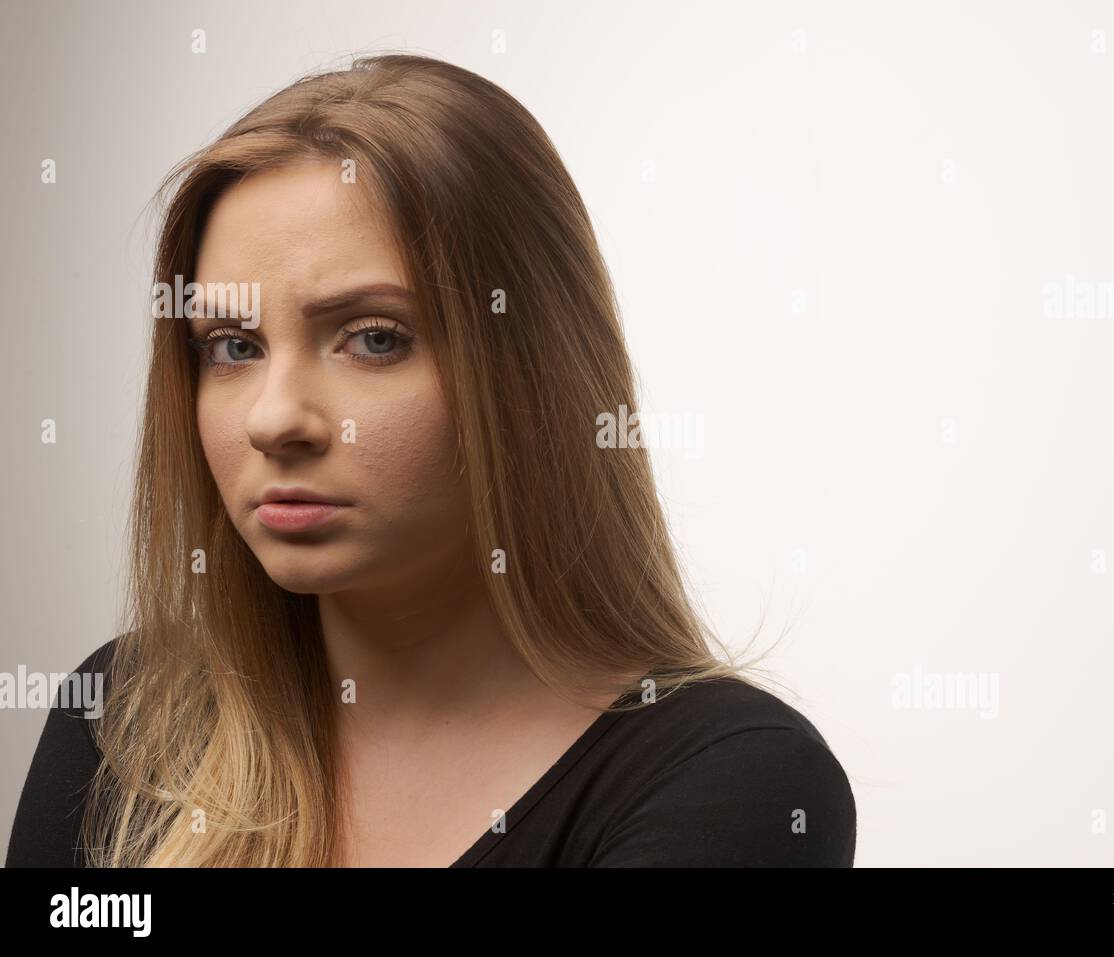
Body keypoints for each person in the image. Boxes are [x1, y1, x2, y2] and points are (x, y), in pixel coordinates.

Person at [5, 54, 856, 868]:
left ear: (532, 371)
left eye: (373, 338)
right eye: (232, 345)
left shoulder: (734, 780)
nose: (275, 419)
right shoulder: (125, 717)